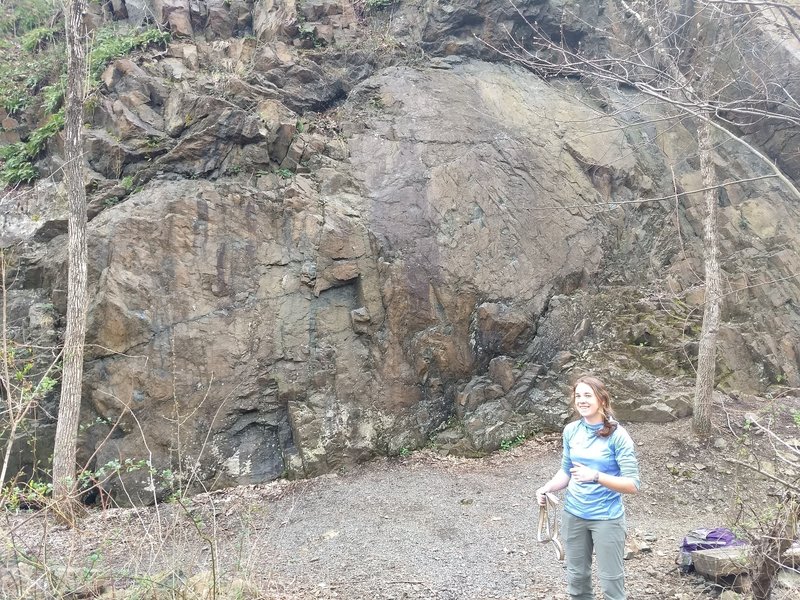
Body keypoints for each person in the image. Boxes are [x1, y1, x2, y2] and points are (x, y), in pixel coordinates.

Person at [536, 375, 641, 600]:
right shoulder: (571, 431)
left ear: (602, 400)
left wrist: (595, 476)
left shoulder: (618, 436)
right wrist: (547, 488)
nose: (582, 400)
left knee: (612, 582)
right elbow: (566, 471)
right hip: (574, 515)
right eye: (578, 396)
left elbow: (632, 484)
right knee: (577, 579)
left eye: (588, 395)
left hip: (607, 518)